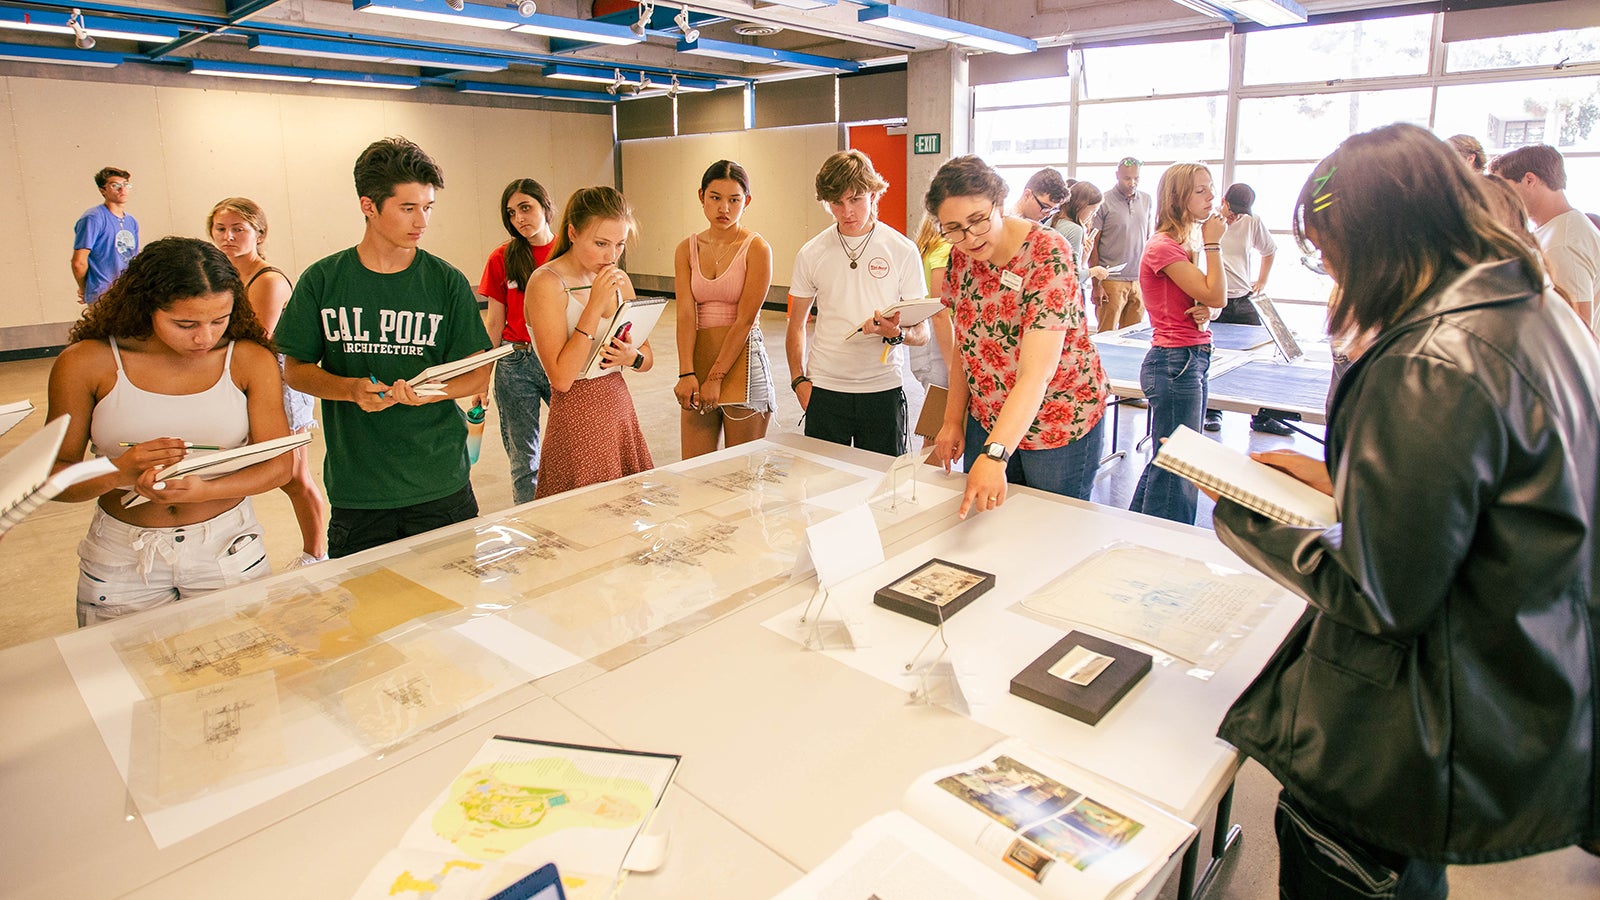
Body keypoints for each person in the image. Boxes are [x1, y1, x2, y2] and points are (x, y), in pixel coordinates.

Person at [1211, 122, 1599, 899]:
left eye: (1329, 249)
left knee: (1356, 875)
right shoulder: (1532, 309)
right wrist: (1342, 474)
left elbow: (1378, 590)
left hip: (1409, 728)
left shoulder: (1429, 358)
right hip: (1507, 683)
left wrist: (1247, 515)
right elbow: (1475, 493)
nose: (1332, 270)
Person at [45, 237, 290, 626]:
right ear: (146, 307)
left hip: (226, 547)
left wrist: (205, 489)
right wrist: (118, 473)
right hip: (122, 557)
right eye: (185, 323)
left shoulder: (247, 359)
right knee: (121, 678)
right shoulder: (86, 363)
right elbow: (51, 479)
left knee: (245, 676)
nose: (204, 337)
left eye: (219, 320)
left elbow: (280, 466)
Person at [277, 137, 493, 559]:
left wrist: (428, 392)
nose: (422, 221)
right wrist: (350, 389)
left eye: (428, 207)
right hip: (360, 492)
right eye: (408, 208)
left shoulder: (446, 282)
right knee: (368, 619)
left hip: (440, 483)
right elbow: (295, 369)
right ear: (368, 206)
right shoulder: (323, 280)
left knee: (453, 614)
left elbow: (477, 373)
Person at [925, 156, 1109, 517]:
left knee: (1048, 531)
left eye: (978, 220)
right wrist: (951, 419)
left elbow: (1035, 374)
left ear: (1000, 203)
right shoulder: (962, 258)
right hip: (989, 417)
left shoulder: (1047, 253)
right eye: (954, 228)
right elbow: (968, 345)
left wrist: (995, 453)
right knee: (988, 526)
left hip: (1057, 423)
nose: (970, 237)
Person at [208, 197, 329, 566]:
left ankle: (317, 553)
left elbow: (253, 337)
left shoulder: (268, 279)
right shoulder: (221, 276)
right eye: (220, 229)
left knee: (293, 476)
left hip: (277, 382)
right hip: (241, 383)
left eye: (238, 229)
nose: (228, 237)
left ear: (258, 233)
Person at [785, 150, 929, 456]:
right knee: (823, 490)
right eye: (837, 202)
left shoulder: (902, 250)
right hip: (825, 389)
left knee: (882, 493)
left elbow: (923, 333)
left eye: (856, 199)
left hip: (882, 390)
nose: (847, 211)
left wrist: (895, 334)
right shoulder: (812, 253)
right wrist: (799, 380)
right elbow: (795, 324)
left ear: (874, 194)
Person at [524, 186, 654, 497]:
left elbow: (647, 358)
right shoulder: (547, 282)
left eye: (619, 245)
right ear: (572, 232)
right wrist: (594, 307)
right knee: (584, 518)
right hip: (577, 414)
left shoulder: (619, 279)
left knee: (627, 513)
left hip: (618, 406)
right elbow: (562, 378)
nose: (611, 256)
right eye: (601, 243)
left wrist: (631, 357)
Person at [1128, 163, 1226, 525]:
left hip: (1190, 358)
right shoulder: (1163, 248)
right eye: (1200, 191)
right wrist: (1215, 243)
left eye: (1210, 189)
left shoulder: (1183, 246)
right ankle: (1164, 547)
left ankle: (1138, 533)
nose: (1210, 197)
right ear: (1177, 198)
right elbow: (1216, 294)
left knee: (1171, 462)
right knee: (1179, 465)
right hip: (1175, 362)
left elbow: (1214, 302)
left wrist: (1206, 311)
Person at [672, 160, 776, 459]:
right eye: (715, 197)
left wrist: (715, 377)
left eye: (734, 200)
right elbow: (685, 314)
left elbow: (745, 320)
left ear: (747, 201)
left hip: (742, 361)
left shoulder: (756, 248)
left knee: (741, 474)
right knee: (694, 470)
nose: (724, 209)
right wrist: (686, 372)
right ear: (701, 196)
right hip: (698, 359)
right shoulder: (686, 249)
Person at [479, 178, 558, 504]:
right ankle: (531, 526)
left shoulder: (566, 253)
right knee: (523, 458)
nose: (519, 219)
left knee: (574, 445)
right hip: (515, 363)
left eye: (526, 208)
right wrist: (480, 379)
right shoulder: (502, 258)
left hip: (559, 359)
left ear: (545, 206)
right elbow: (494, 321)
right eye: (511, 213)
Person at [1205, 183, 1290, 435]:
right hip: (1213, 299)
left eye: (1242, 212)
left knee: (1258, 359)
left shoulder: (1252, 222)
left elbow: (1270, 250)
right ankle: (1212, 411)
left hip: (1243, 300)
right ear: (1224, 200)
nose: (1236, 216)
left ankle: (1261, 417)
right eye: (1233, 210)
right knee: (1212, 356)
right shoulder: (1209, 223)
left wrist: (1262, 281)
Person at [1490, 143, 1600, 328]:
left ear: (1529, 180)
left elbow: (1577, 327)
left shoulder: (1564, 241)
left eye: (1504, 187)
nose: (1502, 197)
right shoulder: (1562, 226)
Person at [1088, 157, 1155, 333]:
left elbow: (1147, 237)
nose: (1132, 183)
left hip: (1139, 279)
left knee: (1133, 336)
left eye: (1136, 178)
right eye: (1127, 178)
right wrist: (1096, 285)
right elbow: (1093, 245)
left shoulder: (1147, 200)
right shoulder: (1103, 202)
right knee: (1106, 335)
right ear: (1117, 176)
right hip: (1111, 279)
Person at [71, 167, 139, 305]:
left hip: (128, 294)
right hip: (103, 296)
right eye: (115, 185)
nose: (122, 189)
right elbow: (79, 262)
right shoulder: (93, 218)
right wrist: (85, 289)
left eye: (125, 184)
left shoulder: (131, 222)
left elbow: (134, 260)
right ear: (103, 190)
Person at [910, 215, 952, 390]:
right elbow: (939, 308)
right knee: (940, 403)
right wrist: (952, 365)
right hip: (937, 338)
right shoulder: (944, 249)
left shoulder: (929, 248)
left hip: (930, 334)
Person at [1053, 180, 1112, 305]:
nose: (1093, 216)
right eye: (1092, 211)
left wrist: (1084, 257)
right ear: (1080, 206)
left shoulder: (1053, 220)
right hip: (1067, 298)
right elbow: (1072, 275)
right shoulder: (1076, 230)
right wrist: (1095, 271)